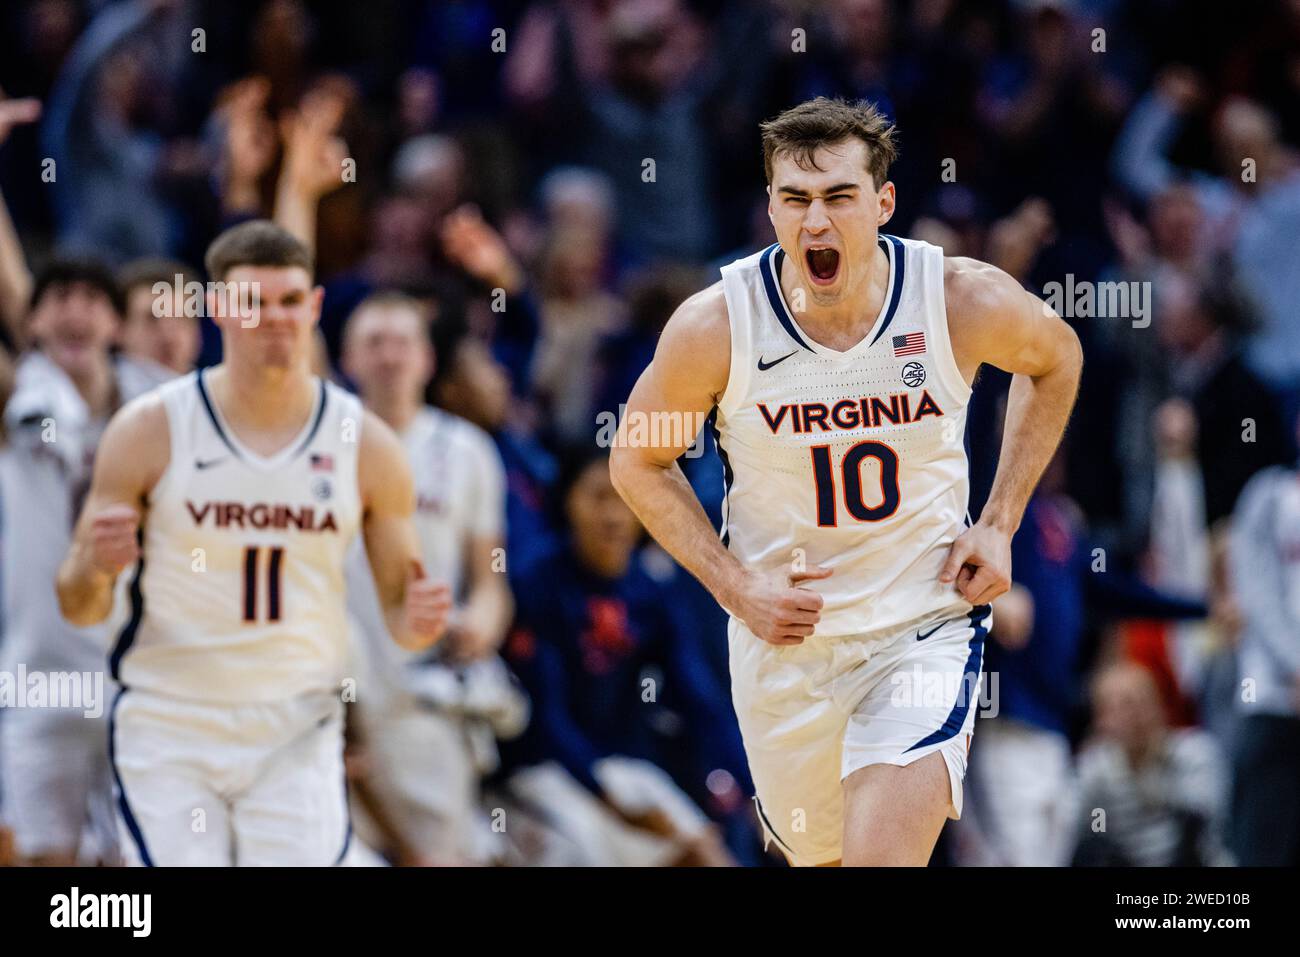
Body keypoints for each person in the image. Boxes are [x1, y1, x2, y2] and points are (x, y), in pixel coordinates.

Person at [609, 97, 1083, 866]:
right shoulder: (717, 328)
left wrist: (999, 520)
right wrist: (736, 586)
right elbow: (636, 459)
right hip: (786, 648)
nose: (816, 222)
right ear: (770, 208)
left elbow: (1056, 357)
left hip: (920, 623)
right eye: (795, 200)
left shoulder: (958, 300)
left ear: (883, 202)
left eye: (838, 196)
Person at [54, 221, 452, 866]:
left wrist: (423, 618)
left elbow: (404, 621)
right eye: (251, 303)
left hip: (297, 727)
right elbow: (79, 604)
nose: (273, 319)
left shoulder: (368, 445)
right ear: (217, 309)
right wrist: (96, 568)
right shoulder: (150, 429)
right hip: (172, 720)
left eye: (290, 301)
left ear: (315, 306)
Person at [0, 258, 171, 865]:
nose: (76, 310)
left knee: (134, 862)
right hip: (40, 675)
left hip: (141, 674)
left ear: (118, 325)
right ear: (33, 321)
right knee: (46, 861)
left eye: (92, 298)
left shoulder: (157, 407)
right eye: (59, 297)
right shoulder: (16, 395)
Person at [340, 291, 521, 866]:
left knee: (439, 858)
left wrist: (483, 624)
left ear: (427, 359)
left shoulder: (467, 451)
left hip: (420, 698)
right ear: (347, 359)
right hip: (327, 696)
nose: (390, 357)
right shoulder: (317, 444)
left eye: (403, 343)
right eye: (374, 343)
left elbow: (490, 578)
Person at [501, 447, 744, 866]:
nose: (612, 516)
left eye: (622, 499)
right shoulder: (536, 584)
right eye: (598, 497)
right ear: (569, 502)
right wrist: (609, 798)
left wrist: (751, 787)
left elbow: (699, 697)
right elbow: (545, 713)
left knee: (706, 851)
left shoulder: (650, 592)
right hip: (546, 769)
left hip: (628, 766)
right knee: (586, 852)